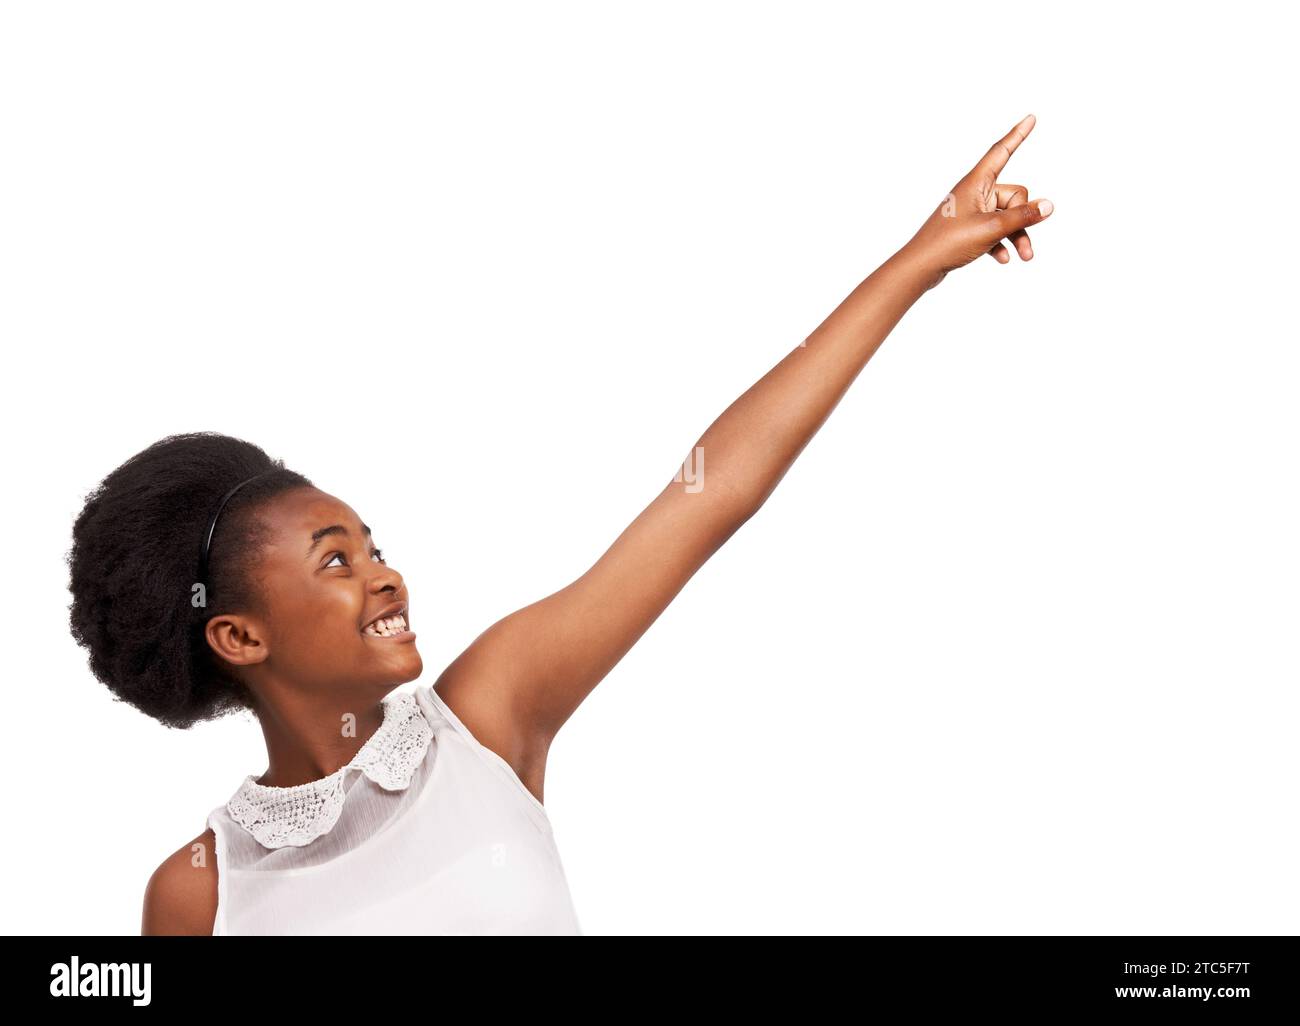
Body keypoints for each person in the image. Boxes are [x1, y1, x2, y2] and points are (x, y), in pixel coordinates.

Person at [66, 114, 1053, 935]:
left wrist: (916, 263)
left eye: (373, 545)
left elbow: (709, 494)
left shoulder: (489, 716)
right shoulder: (200, 894)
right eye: (335, 560)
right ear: (239, 635)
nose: (383, 576)